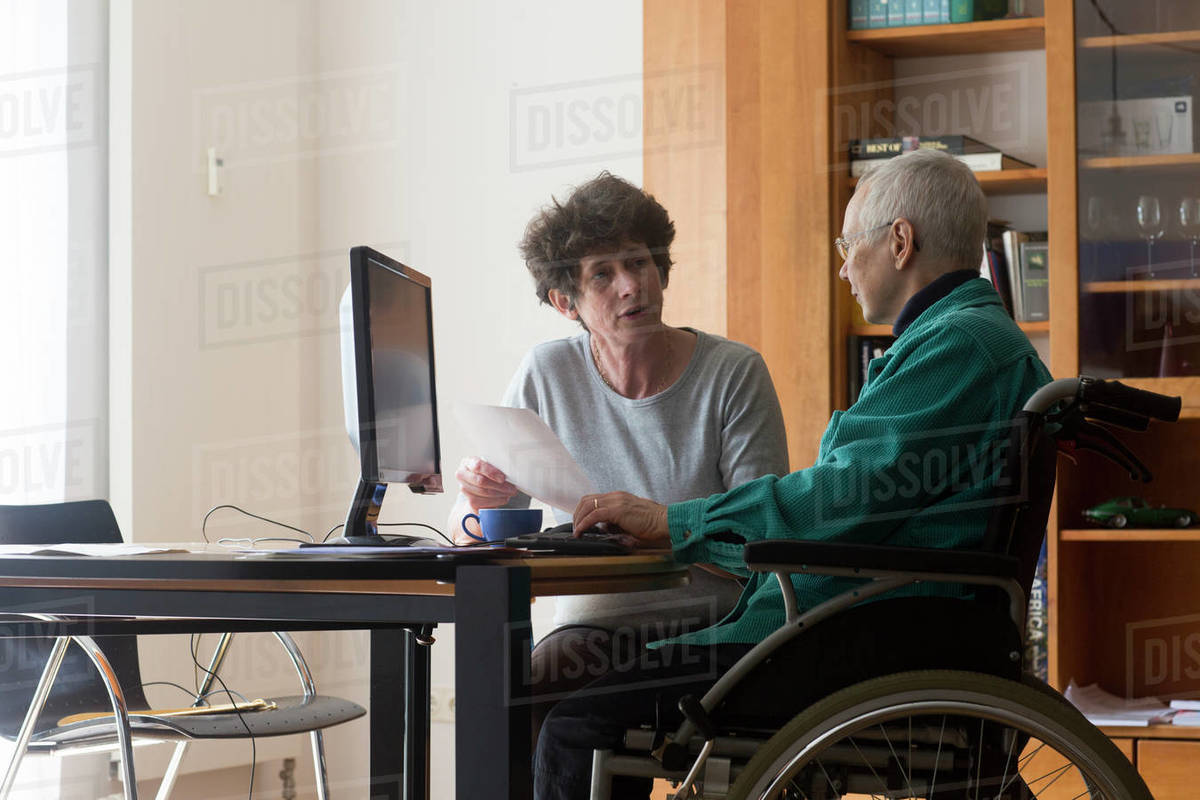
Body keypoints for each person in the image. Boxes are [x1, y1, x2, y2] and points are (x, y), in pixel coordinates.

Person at [533, 148, 1054, 799]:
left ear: (900, 242)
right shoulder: (973, 341)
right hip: (886, 622)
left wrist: (675, 521)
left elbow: (838, 500)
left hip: (864, 635)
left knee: (576, 722)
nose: (844, 267)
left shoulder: (957, 346)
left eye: (848, 245)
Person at [447, 172, 790, 737]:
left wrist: (666, 528)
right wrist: (477, 499)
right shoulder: (546, 373)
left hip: (713, 628)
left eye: (640, 262)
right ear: (566, 302)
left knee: (584, 719)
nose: (633, 285)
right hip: (592, 632)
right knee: (509, 703)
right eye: (603, 274)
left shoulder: (733, 374)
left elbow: (765, 545)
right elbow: (476, 541)